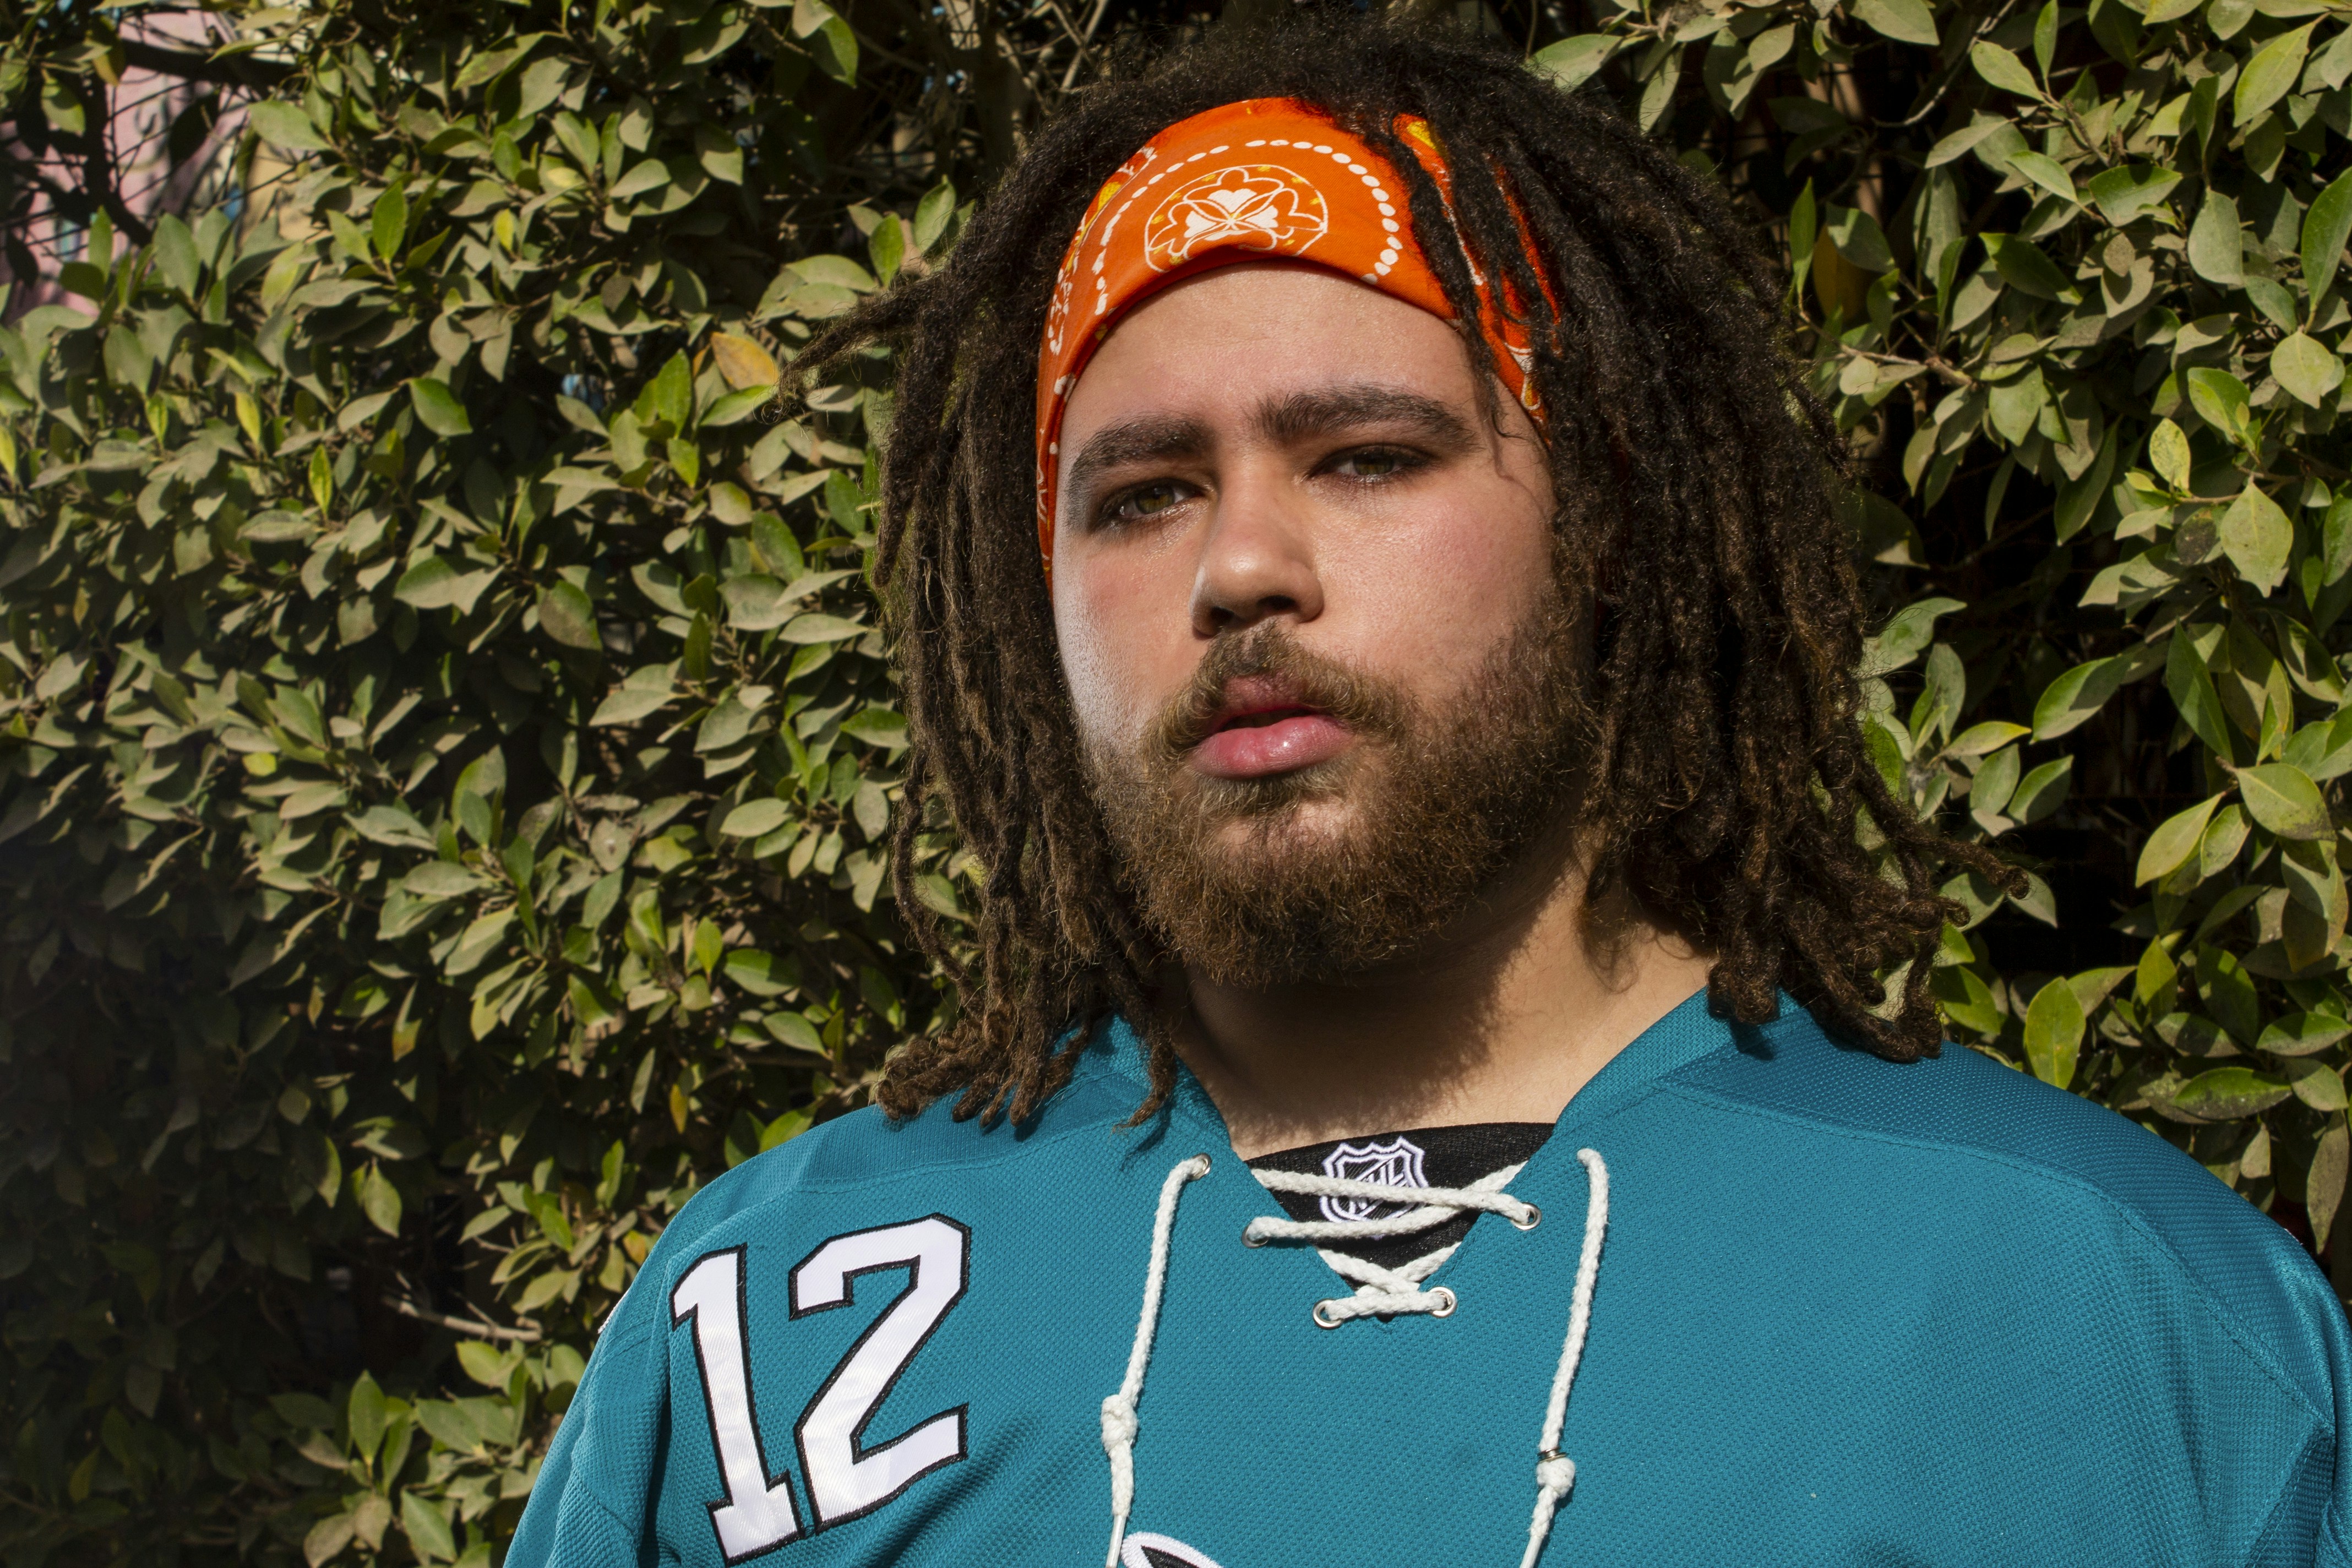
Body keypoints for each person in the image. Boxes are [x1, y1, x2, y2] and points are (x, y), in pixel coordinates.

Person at [508, 13, 2351, 1567]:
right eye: (1141, 494)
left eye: (1368, 456)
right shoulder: (770, 1314)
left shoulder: (2115, 1307)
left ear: (1610, 518)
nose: (1242, 567)